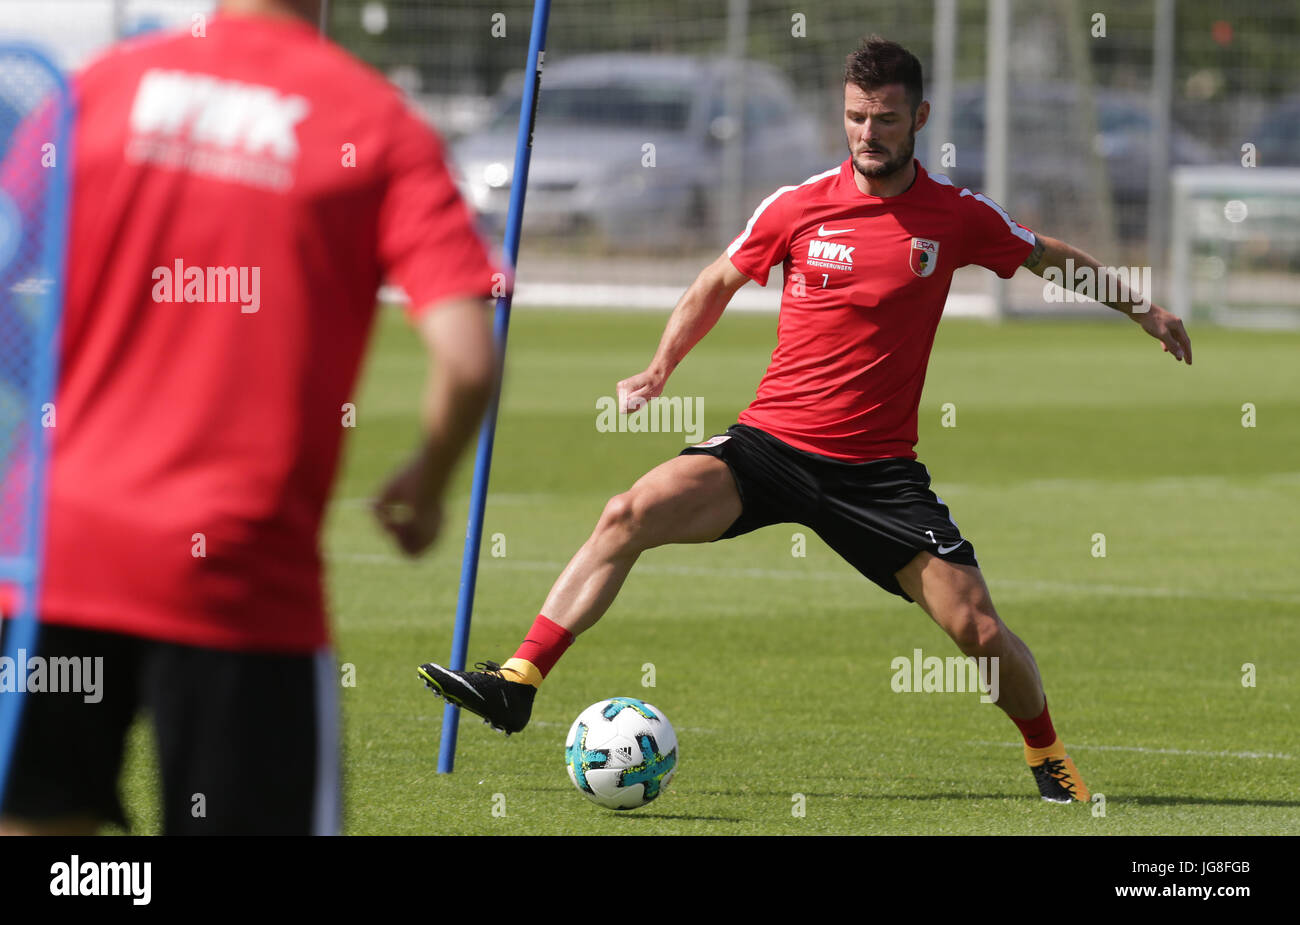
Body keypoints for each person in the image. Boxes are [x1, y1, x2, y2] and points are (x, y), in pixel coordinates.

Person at [418, 36, 1193, 804]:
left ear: (919, 116)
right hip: (769, 449)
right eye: (856, 116)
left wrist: (1146, 309)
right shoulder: (798, 205)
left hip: (878, 476)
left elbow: (1045, 255)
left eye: (886, 118)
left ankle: (1048, 754)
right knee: (629, 511)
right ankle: (519, 679)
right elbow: (715, 282)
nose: (868, 133)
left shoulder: (953, 215)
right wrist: (661, 367)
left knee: (980, 634)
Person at [0, 0, 499, 834]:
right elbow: (468, 359)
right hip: (234, 578)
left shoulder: (101, 88)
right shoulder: (373, 125)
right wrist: (430, 479)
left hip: (53, 550)